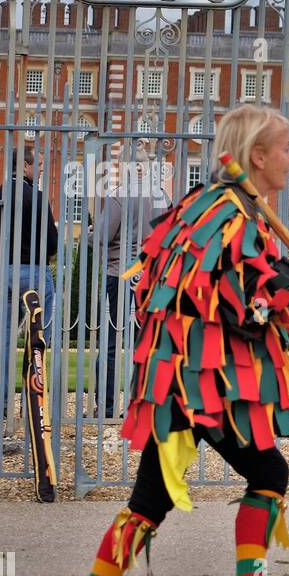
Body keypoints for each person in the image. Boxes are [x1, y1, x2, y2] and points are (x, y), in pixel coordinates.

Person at [59, 105, 289, 576]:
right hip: (193, 387)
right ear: (256, 156)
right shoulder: (230, 217)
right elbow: (245, 308)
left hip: (193, 381)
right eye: (285, 148)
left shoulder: (210, 207)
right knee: (164, 498)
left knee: (248, 475)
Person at [92, 142, 170, 420]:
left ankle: (109, 407)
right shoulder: (161, 196)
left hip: (121, 273)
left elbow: (101, 237)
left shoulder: (120, 196)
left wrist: (91, 232)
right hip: (152, 277)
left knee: (112, 341)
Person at [0, 146, 58, 430]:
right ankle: (35, 403)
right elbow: (51, 243)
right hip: (34, 273)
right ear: (24, 166)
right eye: (37, 164)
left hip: (3, 271)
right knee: (39, 340)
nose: (40, 170)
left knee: (2, 339)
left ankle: (0, 406)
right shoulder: (36, 197)